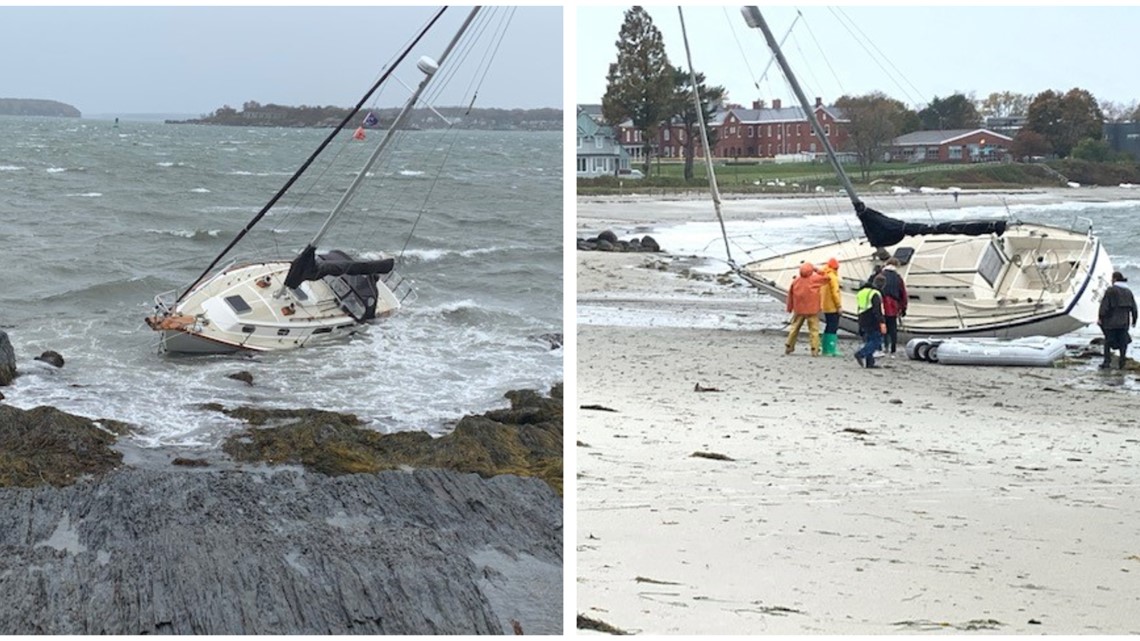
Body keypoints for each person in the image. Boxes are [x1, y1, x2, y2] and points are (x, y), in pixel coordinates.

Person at [785, 262, 827, 356]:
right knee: (814, 330)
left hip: (799, 309)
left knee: (794, 328)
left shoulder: (796, 281)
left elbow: (790, 295)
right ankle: (814, 349)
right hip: (812, 309)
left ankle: (789, 346)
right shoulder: (815, 279)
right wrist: (817, 270)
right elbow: (827, 277)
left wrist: (789, 307)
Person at [1098, 270, 1137, 370]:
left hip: (1111, 322)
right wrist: (1134, 320)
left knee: (1108, 342)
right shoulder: (1128, 292)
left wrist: (1100, 317)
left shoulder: (1111, 291)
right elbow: (1134, 308)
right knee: (1123, 342)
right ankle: (1122, 361)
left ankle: (1107, 362)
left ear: (1115, 279)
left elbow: (1105, 306)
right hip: (1124, 322)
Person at [854, 274, 887, 369]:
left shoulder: (861, 292)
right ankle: (861, 354)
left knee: (869, 340)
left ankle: (870, 363)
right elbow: (877, 310)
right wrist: (882, 322)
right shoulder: (875, 293)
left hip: (862, 317)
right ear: (882, 285)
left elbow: (859, 307)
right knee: (876, 341)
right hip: (872, 319)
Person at [879, 258, 908, 356]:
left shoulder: (881, 275)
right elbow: (903, 294)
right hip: (894, 305)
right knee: (893, 328)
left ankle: (884, 346)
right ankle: (893, 349)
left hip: (882, 304)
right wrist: (903, 308)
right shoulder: (898, 278)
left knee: (882, 326)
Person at [819, 257, 843, 356]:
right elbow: (835, 292)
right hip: (832, 306)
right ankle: (830, 349)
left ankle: (825, 348)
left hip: (825, 305)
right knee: (833, 327)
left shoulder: (824, 275)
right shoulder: (833, 277)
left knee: (828, 325)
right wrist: (839, 306)